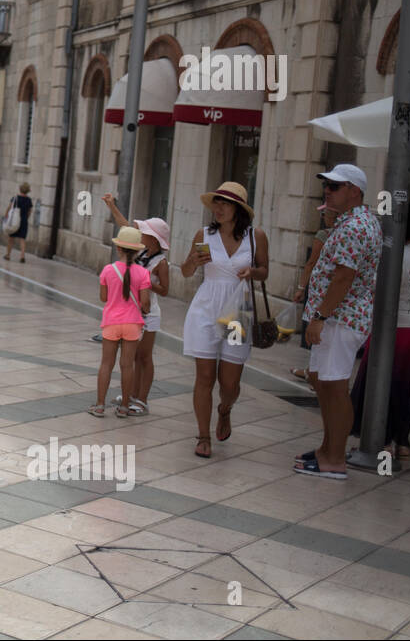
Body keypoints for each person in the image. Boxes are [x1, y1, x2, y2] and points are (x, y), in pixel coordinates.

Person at [294, 165, 382, 479]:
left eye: (334, 186)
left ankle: (334, 458)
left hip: (341, 319)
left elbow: (344, 277)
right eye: (326, 186)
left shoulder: (356, 225)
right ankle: (327, 449)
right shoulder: (352, 222)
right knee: (322, 381)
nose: (327, 191)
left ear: (354, 191)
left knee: (334, 385)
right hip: (337, 317)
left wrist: (319, 317)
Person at [180, 181, 269, 458]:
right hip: (206, 306)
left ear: (238, 209)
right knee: (204, 376)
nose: (218, 208)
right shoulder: (204, 234)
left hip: (237, 312)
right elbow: (184, 271)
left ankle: (225, 409)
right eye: (216, 202)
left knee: (229, 383)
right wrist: (193, 261)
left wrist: (252, 273)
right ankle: (203, 435)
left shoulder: (256, 237)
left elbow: (265, 271)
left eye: (225, 203)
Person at [348, 203, 410, 467]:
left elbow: (379, 293)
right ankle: (403, 443)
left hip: (395, 329)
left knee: (379, 383)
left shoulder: (397, 258)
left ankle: (381, 441)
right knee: (403, 386)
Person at [102, 195, 171, 414]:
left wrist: (148, 284)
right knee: (131, 356)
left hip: (150, 313)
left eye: (146, 234)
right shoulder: (139, 250)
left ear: (155, 240)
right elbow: (126, 228)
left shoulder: (161, 263)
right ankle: (130, 394)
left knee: (144, 357)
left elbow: (166, 290)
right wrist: (112, 206)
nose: (141, 235)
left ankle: (142, 399)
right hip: (133, 311)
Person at [90, 227, 152, 417]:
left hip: (111, 323)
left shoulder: (108, 270)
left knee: (106, 364)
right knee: (127, 365)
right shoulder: (143, 273)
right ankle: (124, 407)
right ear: (138, 251)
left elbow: (103, 297)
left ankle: (100, 406)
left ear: (119, 248)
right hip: (133, 324)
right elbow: (146, 303)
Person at [291, 204, 339, 378]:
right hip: (337, 296)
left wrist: (301, 288)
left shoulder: (323, 235)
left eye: (325, 213)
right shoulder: (344, 234)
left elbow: (311, 262)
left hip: (321, 294)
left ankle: (314, 374)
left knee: (316, 337)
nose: (323, 216)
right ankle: (315, 372)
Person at [3, 183, 33, 262]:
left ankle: (8, 255)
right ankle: (22, 256)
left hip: (14, 221)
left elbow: (9, 207)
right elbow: (30, 211)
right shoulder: (29, 200)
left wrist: (6, 215)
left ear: (20, 189)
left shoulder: (15, 198)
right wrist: (26, 218)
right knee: (22, 239)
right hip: (23, 221)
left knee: (11, 238)